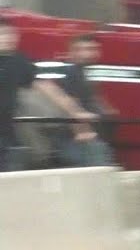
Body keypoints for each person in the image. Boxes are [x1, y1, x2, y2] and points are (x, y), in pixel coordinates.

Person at [0, 17, 99, 171]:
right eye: (3, 33)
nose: (9, 38)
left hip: (10, 138)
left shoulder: (19, 61)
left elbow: (47, 88)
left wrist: (76, 112)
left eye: (12, 34)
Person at [52, 34, 116, 168]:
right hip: (81, 141)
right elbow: (69, 105)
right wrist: (83, 132)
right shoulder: (71, 73)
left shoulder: (85, 74)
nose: (90, 53)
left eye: (94, 49)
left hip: (86, 140)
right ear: (73, 52)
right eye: (85, 49)